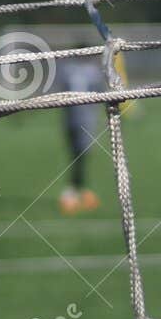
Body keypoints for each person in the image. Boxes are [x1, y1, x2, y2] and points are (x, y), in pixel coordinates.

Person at [55, 55, 106, 215]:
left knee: (76, 154)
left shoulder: (66, 69)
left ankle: (79, 190)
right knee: (81, 155)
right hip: (86, 120)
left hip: (70, 118)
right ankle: (72, 192)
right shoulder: (94, 71)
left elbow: (59, 93)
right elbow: (102, 94)